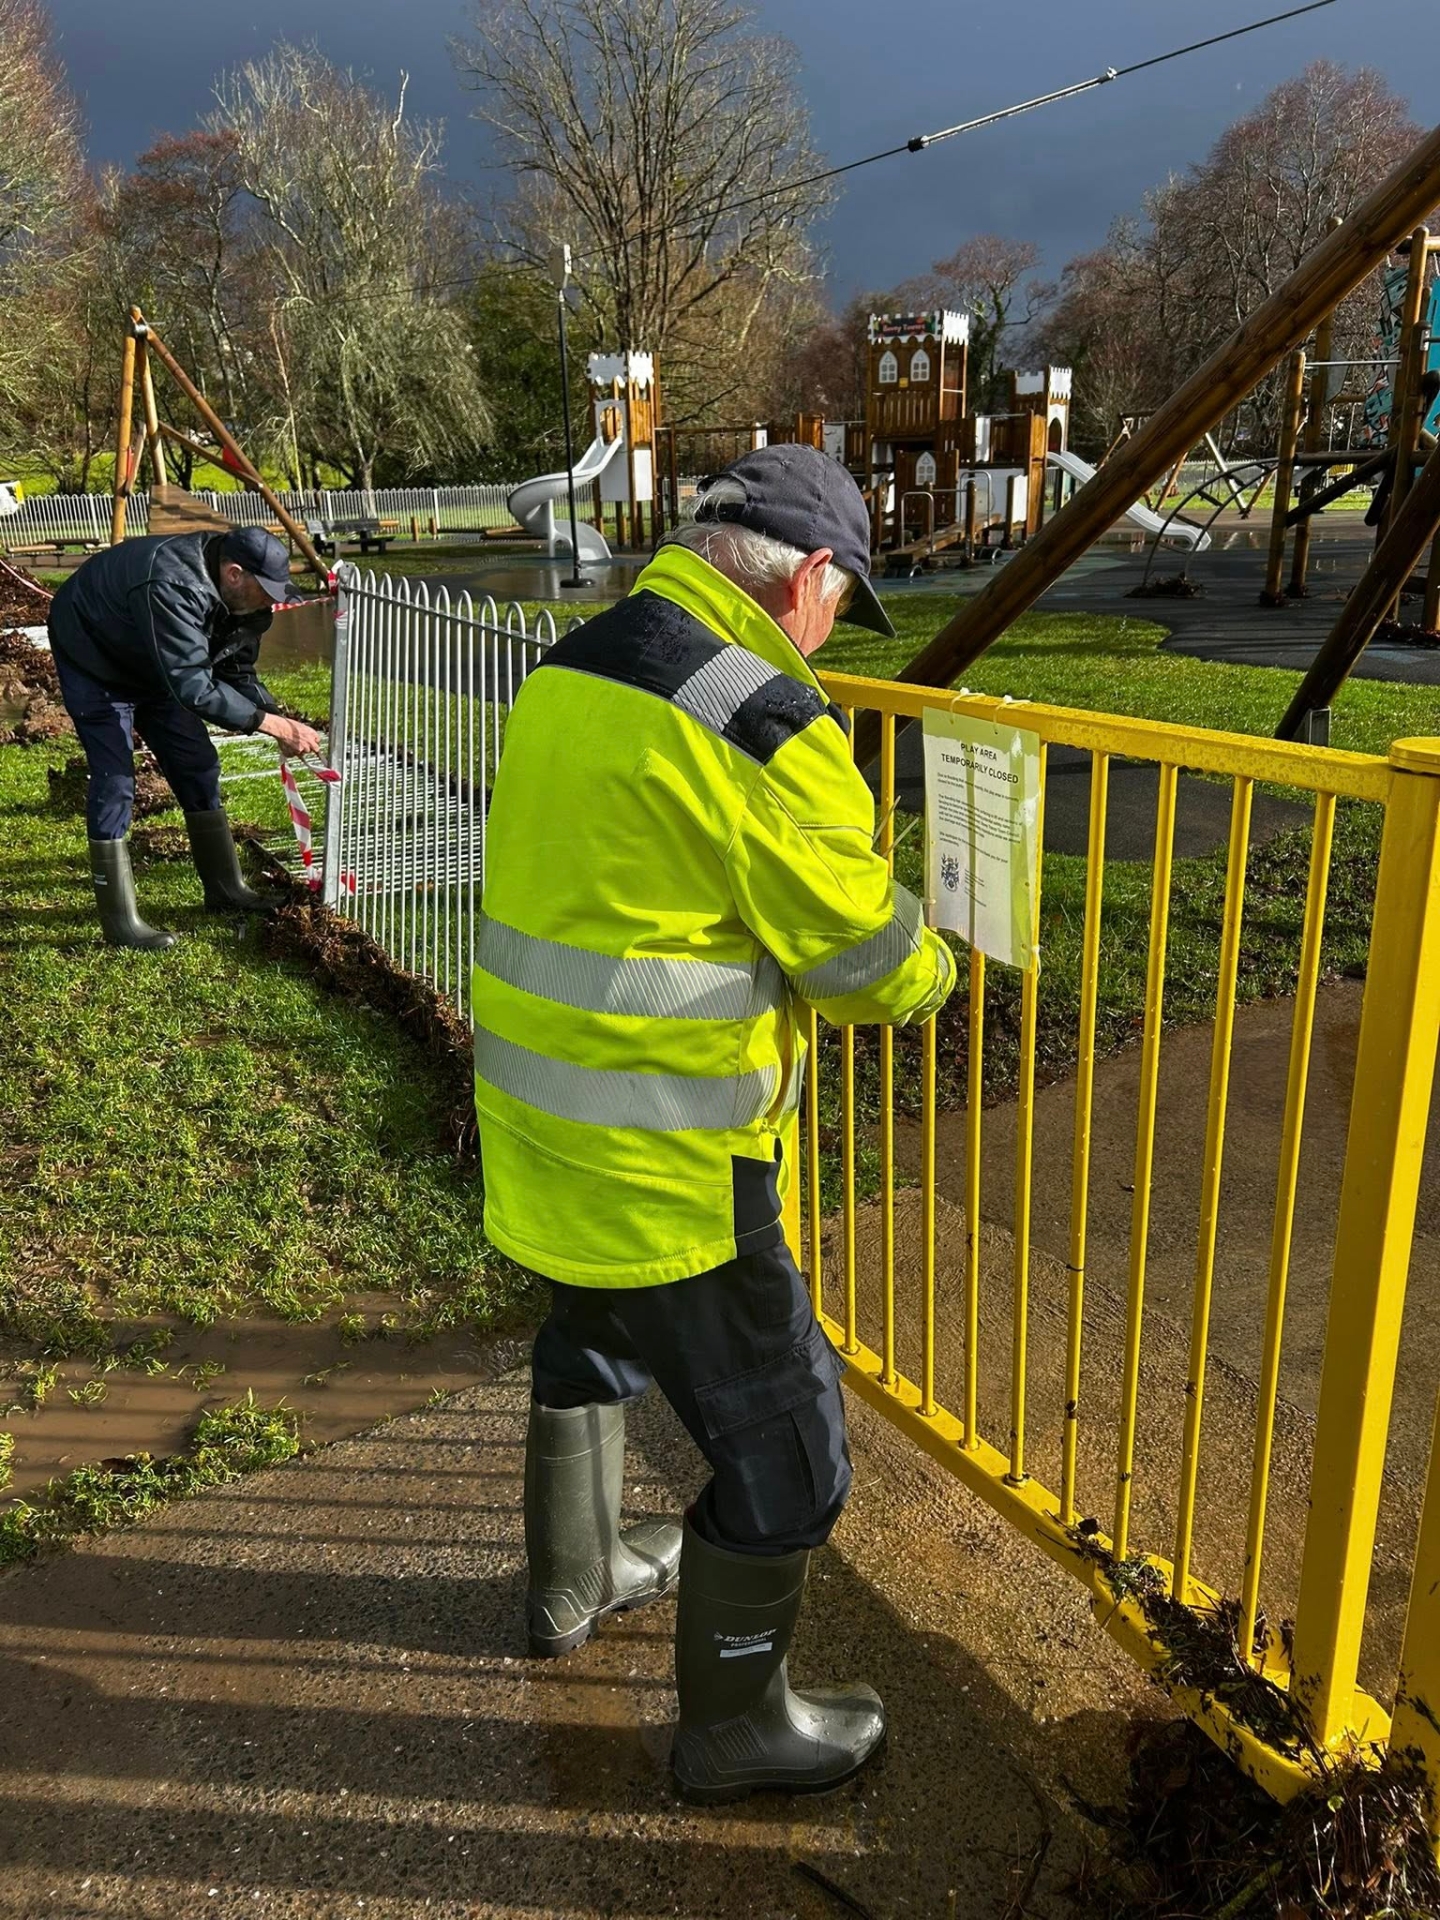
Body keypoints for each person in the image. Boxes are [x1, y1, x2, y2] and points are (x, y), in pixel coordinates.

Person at [474, 444, 956, 1803]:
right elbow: (859, 959)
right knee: (791, 1455)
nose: (829, 635)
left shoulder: (576, 661)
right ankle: (738, 1728)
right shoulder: (762, 719)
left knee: (592, 1336)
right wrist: (940, 965)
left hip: (541, 1118)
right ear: (808, 576)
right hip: (674, 1159)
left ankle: (575, 1582)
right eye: (840, 604)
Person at [47, 525, 322, 950]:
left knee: (197, 764)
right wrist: (274, 726)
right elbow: (193, 688)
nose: (272, 600)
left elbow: (235, 672)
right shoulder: (172, 584)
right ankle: (121, 922)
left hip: (159, 664)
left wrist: (277, 718)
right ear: (234, 574)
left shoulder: (248, 602)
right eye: (265, 590)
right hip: (95, 657)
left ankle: (225, 888)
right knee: (116, 779)